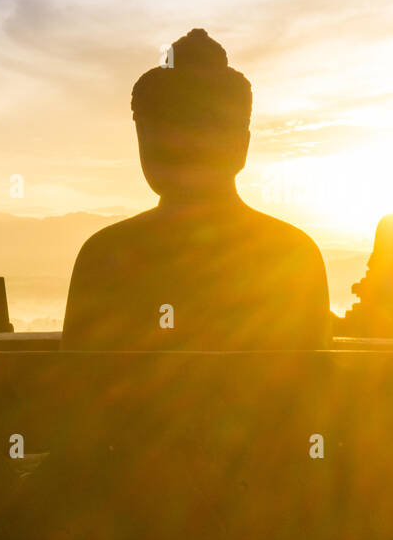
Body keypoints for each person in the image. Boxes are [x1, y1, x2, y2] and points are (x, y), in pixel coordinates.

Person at [61, 29, 330, 351]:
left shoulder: (105, 254)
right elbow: (316, 391)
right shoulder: (293, 252)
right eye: (165, 140)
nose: (182, 147)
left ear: (240, 145)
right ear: (242, 146)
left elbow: (73, 389)